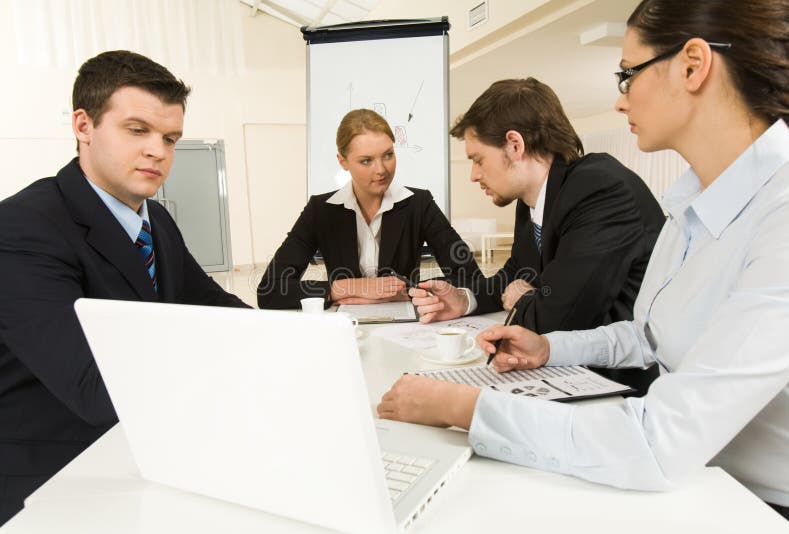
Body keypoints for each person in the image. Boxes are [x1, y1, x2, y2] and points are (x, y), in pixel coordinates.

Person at [379, 0, 789, 526]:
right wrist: (548, 347)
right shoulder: (690, 204)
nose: (620, 102)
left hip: (758, 505)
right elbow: (645, 335)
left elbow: (659, 441)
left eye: (628, 75)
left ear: (693, 66)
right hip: (694, 475)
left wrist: (462, 408)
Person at [0, 50, 249, 525]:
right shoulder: (22, 227)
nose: (159, 150)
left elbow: (212, 303)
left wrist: (296, 344)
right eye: (138, 130)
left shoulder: (154, 219)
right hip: (52, 474)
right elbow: (93, 390)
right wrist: (220, 352)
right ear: (83, 125)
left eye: (170, 138)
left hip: (141, 445)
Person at [410, 78, 665, 394]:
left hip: (625, 386)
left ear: (515, 145)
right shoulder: (531, 199)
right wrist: (465, 300)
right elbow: (516, 274)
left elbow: (558, 320)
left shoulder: (598, 188)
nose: (474, 174)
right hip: (570, 373)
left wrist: (526, 297)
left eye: (478, 159)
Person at [257, 109, 482, 309]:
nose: (381, 170)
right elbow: (270, 290)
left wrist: (411, 291)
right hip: (344, 325)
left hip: (406, 323)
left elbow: (472, 279)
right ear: (343, 162)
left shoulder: (419, 203)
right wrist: (347, 288)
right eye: (366, 161)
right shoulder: (321, 210)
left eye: (388, 155)